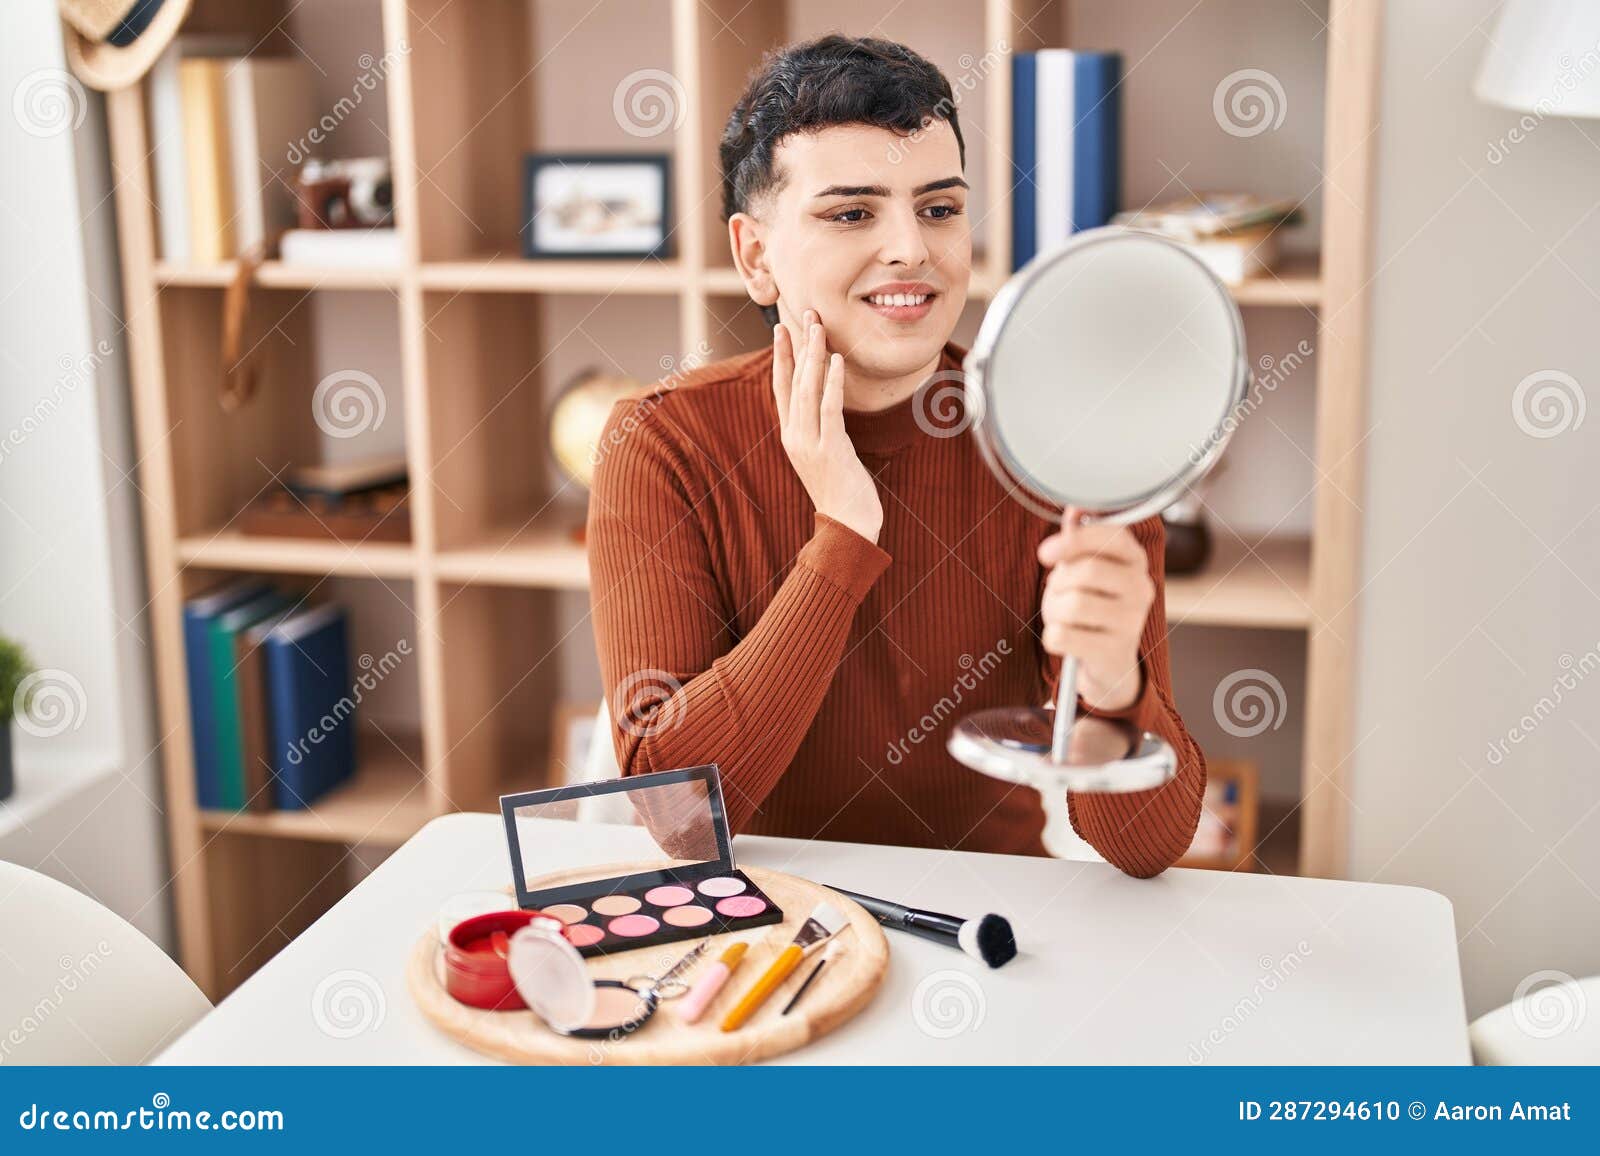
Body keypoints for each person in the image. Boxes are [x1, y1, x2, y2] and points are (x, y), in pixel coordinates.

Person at [587, 34, 1205, 877]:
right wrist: (843, 534)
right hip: (767, 923)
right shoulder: (660, 446)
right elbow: (681, 815)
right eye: (851, 214)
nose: (912, 249)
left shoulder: (1064, 446)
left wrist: (1112, 682)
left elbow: (1149, 847)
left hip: (993, 921)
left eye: (941, 208)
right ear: (755, 256)